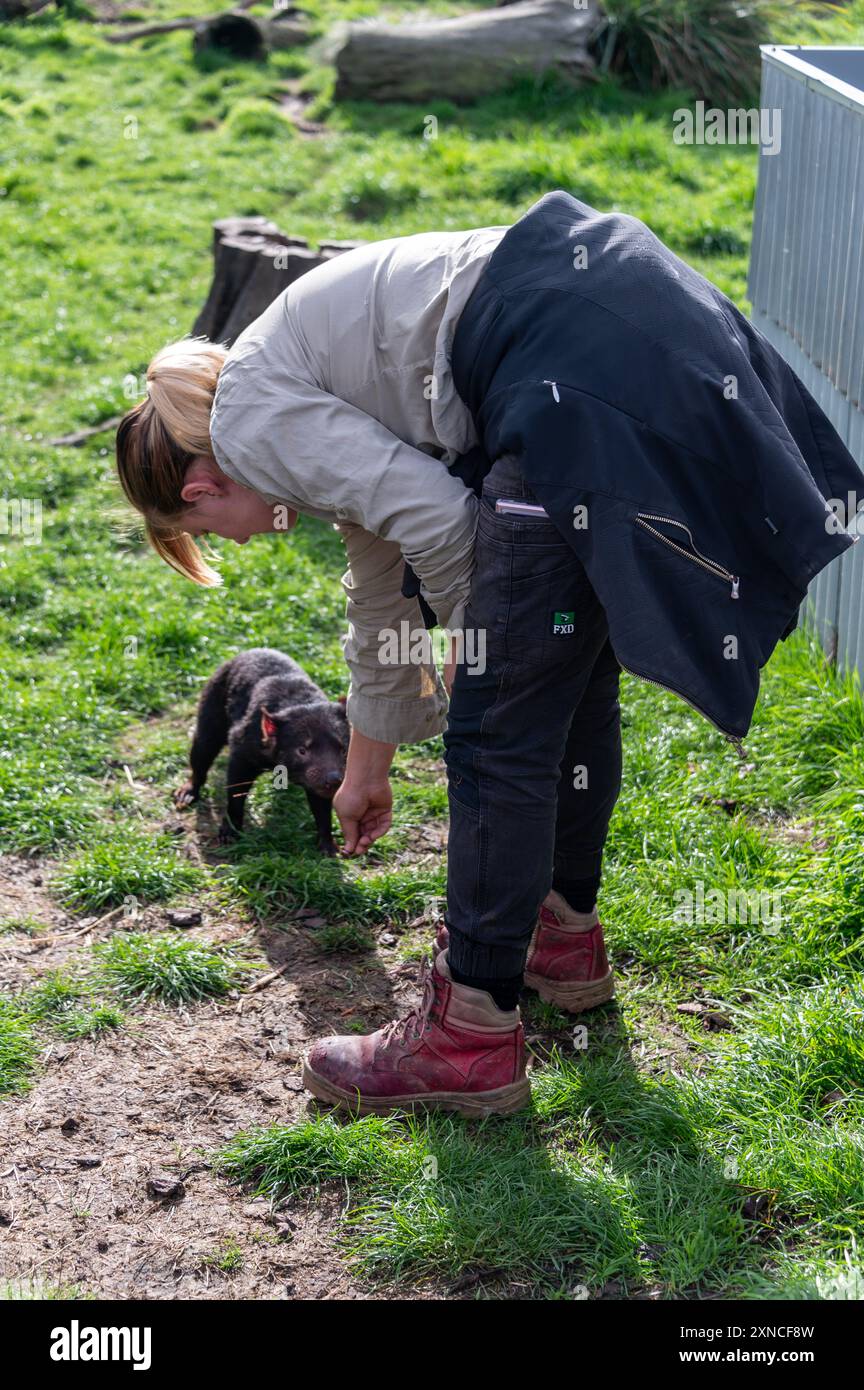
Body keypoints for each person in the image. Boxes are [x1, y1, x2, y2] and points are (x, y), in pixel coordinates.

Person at [115, 191, 863, 1117]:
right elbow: (380, 583)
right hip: (629, 314)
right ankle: (559, 935)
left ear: (199, 483)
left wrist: (483, 664)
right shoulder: (289, 391)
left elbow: (435, 519)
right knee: (573, 675)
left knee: (499, 727)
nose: (237, 542)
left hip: (573, 360)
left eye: (207, 530)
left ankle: (467, 1033)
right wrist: (367, 767)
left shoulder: (251, 422)